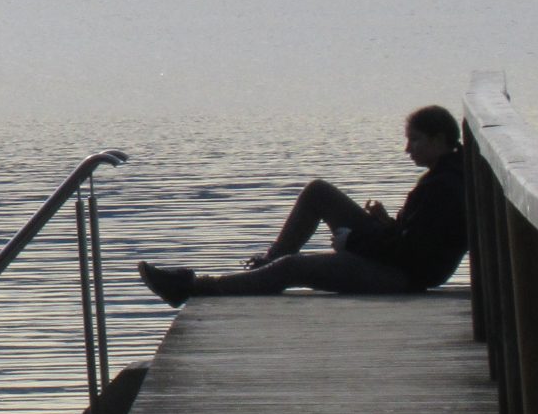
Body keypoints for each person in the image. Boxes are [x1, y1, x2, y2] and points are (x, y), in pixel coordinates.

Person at [137, 105, 468, 305]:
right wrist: (388, 225)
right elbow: (413, 238)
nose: (407, 149)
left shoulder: (443, 187)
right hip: (398, 257)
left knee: (293, 268)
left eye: (415, 140)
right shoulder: (446, 174)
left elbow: (412, 255)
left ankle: (193, 288)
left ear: (439, 140)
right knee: (318, 192)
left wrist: (353, 242)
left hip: (401, 276)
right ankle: (269, 263)